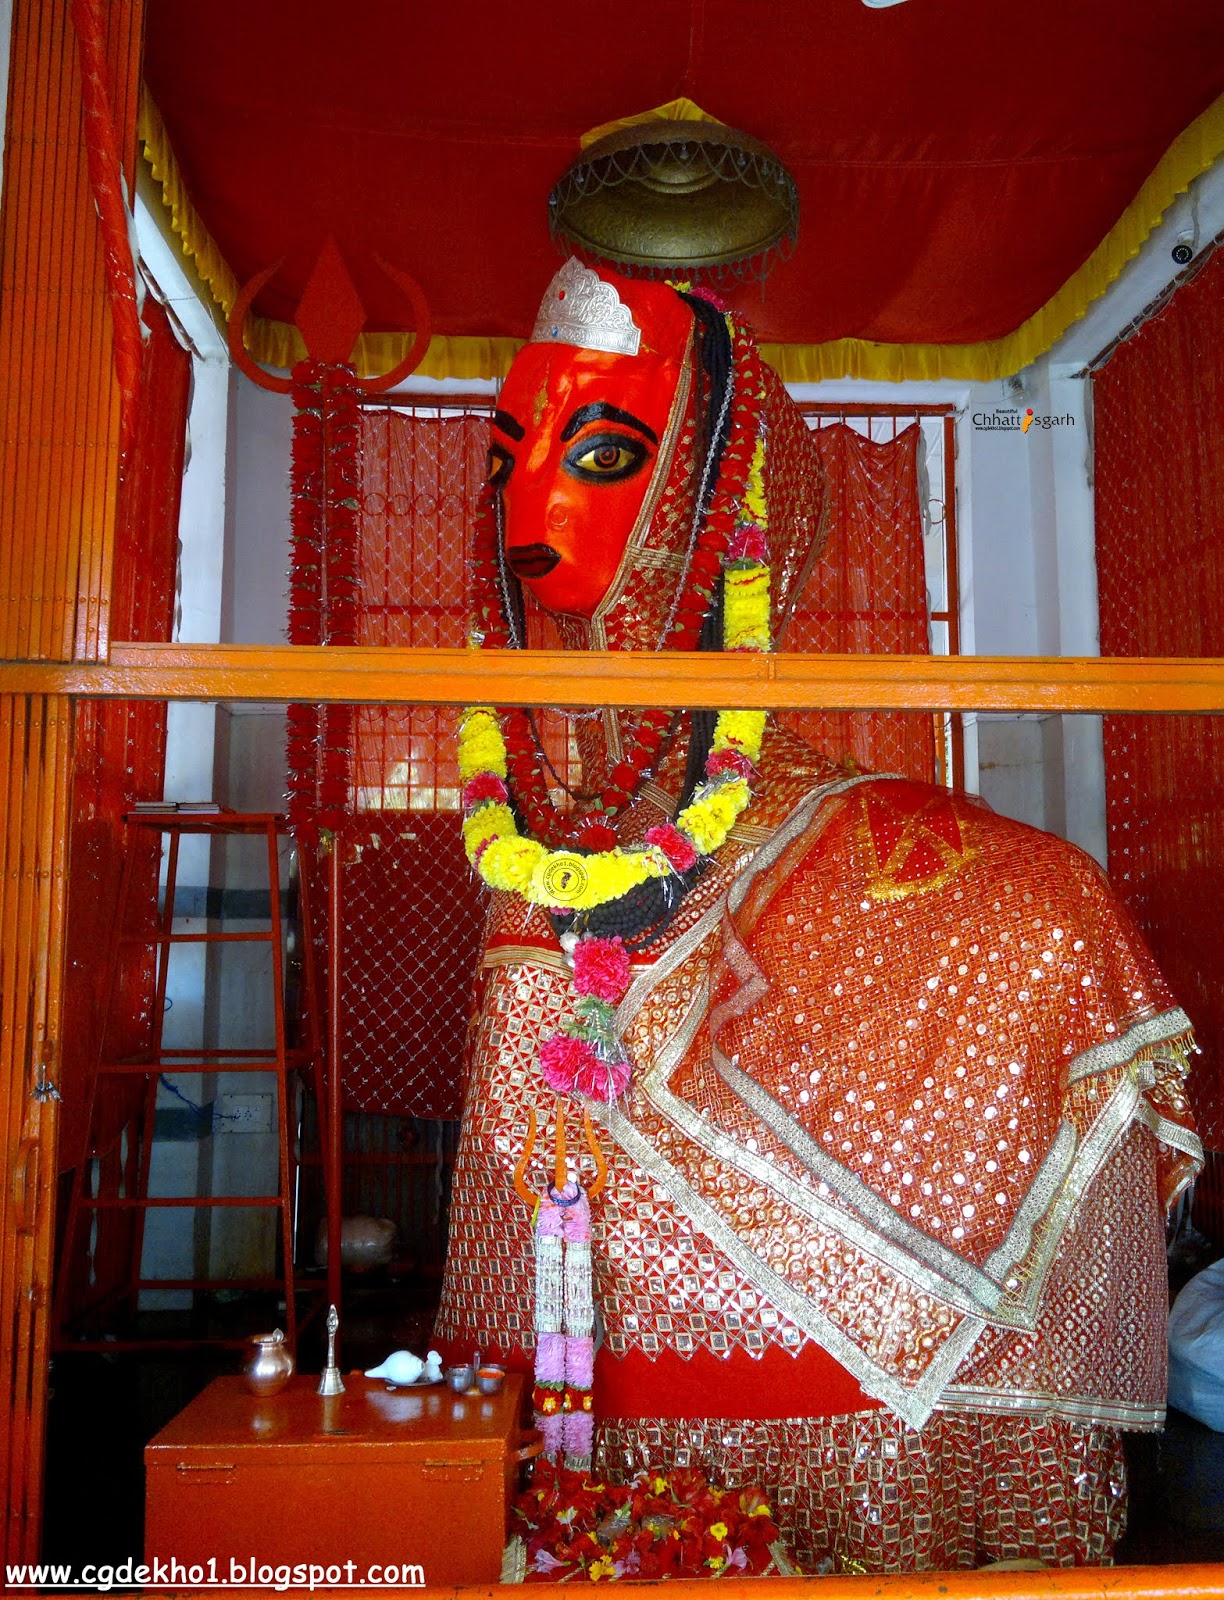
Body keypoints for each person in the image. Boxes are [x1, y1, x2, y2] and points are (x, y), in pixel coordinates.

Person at [433, 259, 1202, 1571]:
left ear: (731, 511)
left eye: (609, 451)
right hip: (580, 1378)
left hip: (793, 831)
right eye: (511, 457)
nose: (534, 505)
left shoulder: (1004, 895)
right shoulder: (517, 851)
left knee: (1047, 919)